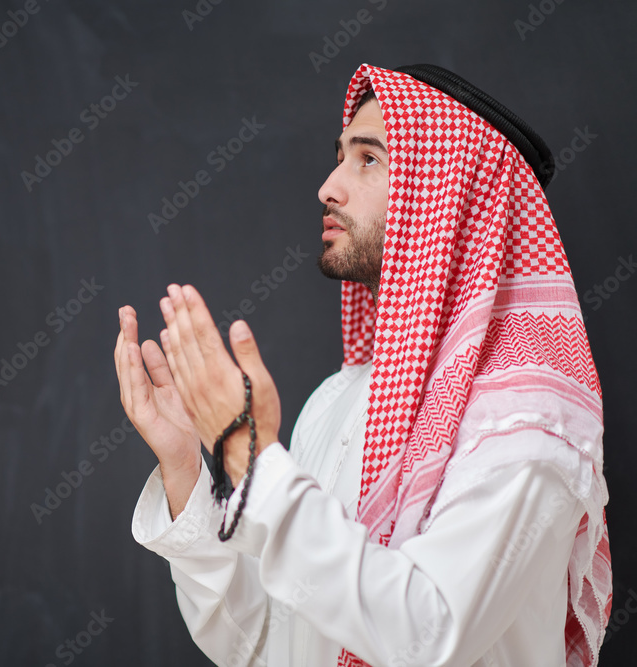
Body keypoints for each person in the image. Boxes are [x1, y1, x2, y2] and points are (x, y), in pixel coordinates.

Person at [114, 63, 612, 666]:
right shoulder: (337, 400)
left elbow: (425, 636)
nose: (328, 186)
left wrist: (254, 460)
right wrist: (187, 469)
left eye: (368, 158)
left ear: (445, 193)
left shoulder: (527, 423)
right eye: (340, 155)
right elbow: (267, 645)